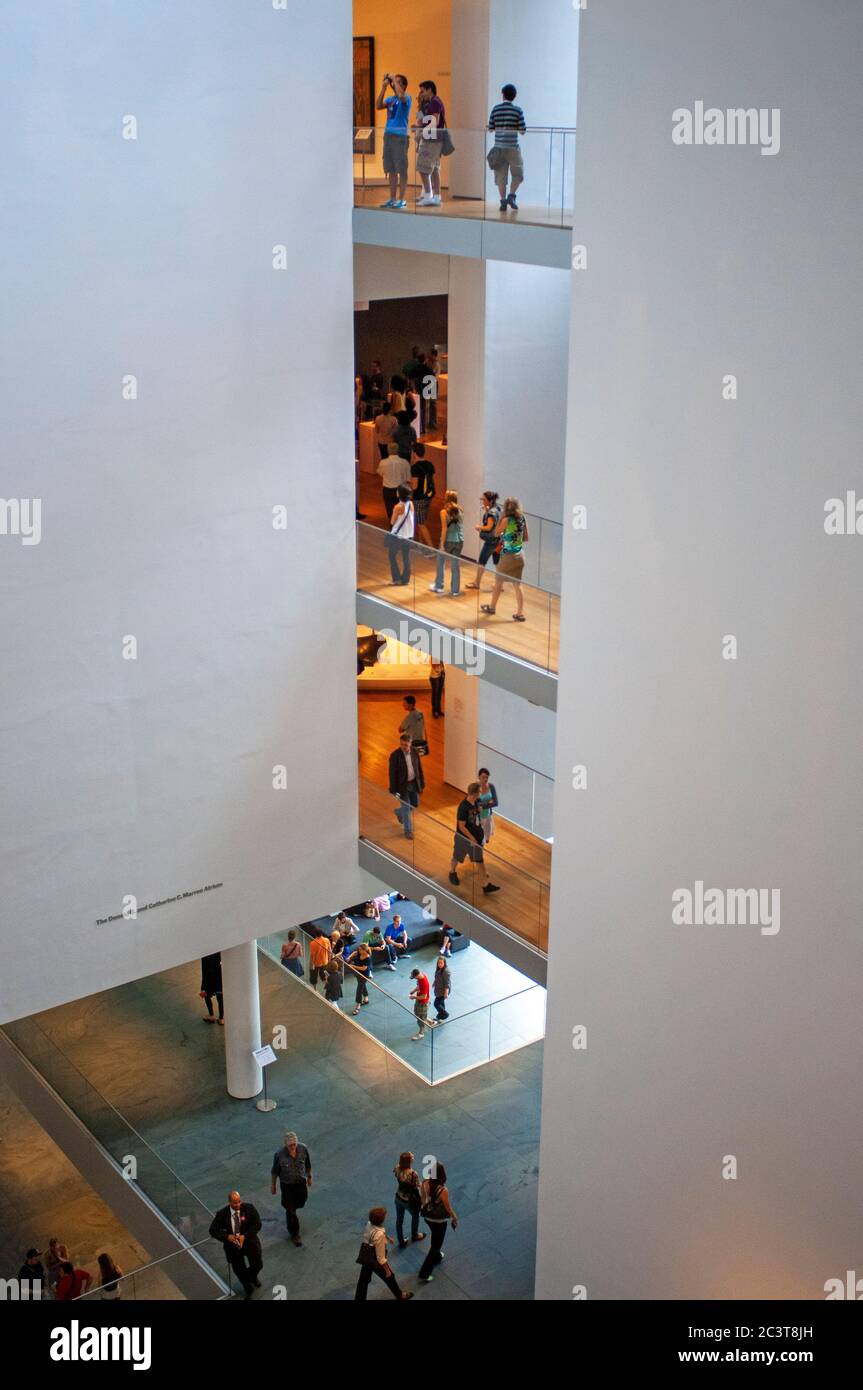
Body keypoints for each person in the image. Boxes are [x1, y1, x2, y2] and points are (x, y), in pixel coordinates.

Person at [480, 497, 529, 621]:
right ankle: (520, 613)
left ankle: (492, 607)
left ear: (506, 508)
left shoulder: (506, 520)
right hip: (520, 555)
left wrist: (502, 518)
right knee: (517, 584)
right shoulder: (522, 518)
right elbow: (526, 538)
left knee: (498, 582)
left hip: (508, 556)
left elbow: (496, 533)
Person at [449, 782, 500, 894]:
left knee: (479, 860)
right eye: (479, 792)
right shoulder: (463, 807)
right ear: (475, 793)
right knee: (457, 856)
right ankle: (452, 872)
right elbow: (461, 826)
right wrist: (471, 838)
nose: (480, 793)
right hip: (463, 838)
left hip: (475, 837)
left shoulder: (476, 802)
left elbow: (491, 803)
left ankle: (485, 885)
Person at [209, 1191, 263, 1294]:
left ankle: (252, 1277)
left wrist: (245, 1236)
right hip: (232, 1247)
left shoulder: (249, 1208)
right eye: (234, 1203)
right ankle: (248, 1289)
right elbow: (213, 1230)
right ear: (229, 1202)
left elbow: (257, 1224)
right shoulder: (222, 1214)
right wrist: (227, 1236)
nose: (238, 1204)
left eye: (239, 1201)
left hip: (249, 1243)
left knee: (258, 1264)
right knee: (239, 1270)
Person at [355, 1207, 413, 1300]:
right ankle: (400, 1295)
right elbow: (380, 1258)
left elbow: (377, 1231)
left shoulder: (369, 1224)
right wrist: (387, 1270)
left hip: (366, 1256)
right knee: (390, 1277)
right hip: (374, 1259)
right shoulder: (380, 1236)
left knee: (363, 1281)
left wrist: (387, 1237)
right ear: (381, 1220)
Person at [488, 83, 527, 211]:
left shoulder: (495, 109)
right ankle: (512, 195)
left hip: (498, 147)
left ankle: (503, 201)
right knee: (518, 173)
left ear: (503, 95)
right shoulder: (518, 111)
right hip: (512, 147)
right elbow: (522, 130)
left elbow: (491, 128)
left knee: (500, 177)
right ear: (514, 96)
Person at [417, 1162, 458, 1282]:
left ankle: (437, 1256)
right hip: (439, 1220)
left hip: (428, 1218)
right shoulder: (443, 1190)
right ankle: (424, 1273)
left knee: (435, 1237)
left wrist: (427, 1208)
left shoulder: (425, 1182)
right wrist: (455, 1218)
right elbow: (448, 1207)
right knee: (436, 1245)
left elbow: (423, 1199)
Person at [270, 1132, 313, 1247]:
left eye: (294, 1144)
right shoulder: (279, 1155)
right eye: (290, 1145)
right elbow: (274, 1172)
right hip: (287, 1186)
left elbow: (308, 1164)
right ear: (285, 1145)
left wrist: (309, 1177)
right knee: (291, 1211)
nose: (293, 1147)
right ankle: (295, 1234)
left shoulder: (303, 1149)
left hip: (300, 1183)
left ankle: (292, 1209)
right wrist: (273, 1185)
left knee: (302, 1201)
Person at [377, 73, 412, 208]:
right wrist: (384, 87)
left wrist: (393, 79)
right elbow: (378, 105)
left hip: (400, 137)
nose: (394, 83)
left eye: (398, 82)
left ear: (403, 85)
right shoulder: (391, 99)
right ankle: (392, 198)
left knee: (401, 169)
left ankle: (401, 199)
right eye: (394, 81)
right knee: (391, 169)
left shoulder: (407, 98)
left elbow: (401, 96)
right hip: (388, 135)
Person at [414, 80, 447, 206]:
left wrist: (421, 126)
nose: (421, 94)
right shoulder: (428, 103)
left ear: (429, 90)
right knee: (434, 168)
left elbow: (434, 121)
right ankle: (436, 196)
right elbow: (422, 119)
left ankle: (428, 195)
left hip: (431, 139)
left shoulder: (434, 102)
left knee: (423, 166)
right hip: (434, 138)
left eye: (423, 91)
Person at [388, 730, 425, 839]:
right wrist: (393, 790)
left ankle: (398, 812)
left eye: (406, 744)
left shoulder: (414, 751)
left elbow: (419, 768)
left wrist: (422, 783)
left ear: (410, 743)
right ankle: (408, 831)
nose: (404, 747)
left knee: (415, 804)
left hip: (413, 784)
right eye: (402, 744)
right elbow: (391, 774)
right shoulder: (395, 755)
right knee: (407, 807)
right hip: (401, 787)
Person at [429, 491, 464, 596]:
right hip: (460, 540)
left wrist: (441, 544)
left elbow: (444, 529)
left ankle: (439, 586)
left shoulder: (444, 512)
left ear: (446, 499)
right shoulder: (461, 510)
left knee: (440, 561)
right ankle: (455, 590)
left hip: (449, 540)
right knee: (455, 565)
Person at [466, 491, 502, 588]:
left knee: (482, 561)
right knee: (497, 562)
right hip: (498, 540)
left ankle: (477, 583)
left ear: (490, 501)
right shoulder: (497, 508)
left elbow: (489, 527)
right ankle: (499, 585)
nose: (482, 501)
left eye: (484, 500)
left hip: (491, 542)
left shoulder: (491, 513)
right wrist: (487, 510)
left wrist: (479, 527)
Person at [393, 1152, 425, 1248]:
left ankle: (401, 1241)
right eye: (412, 1156)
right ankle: (415, 1235)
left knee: (399, 1220)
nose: (413, 1157)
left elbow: (396, 1174)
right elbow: (417, 1185)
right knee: (415, 1215)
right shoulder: (413, 1174)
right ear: (409, 1161)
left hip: (398, 1197)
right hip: (409, 1200)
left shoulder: (397, 1168)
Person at [387, 484, 415, 587]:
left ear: (399, 493)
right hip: (409, 535)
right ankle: (405, 579)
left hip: (399, 536)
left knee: (392, 556)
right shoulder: (411, 504)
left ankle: (397, 578)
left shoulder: (398, 506)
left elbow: (392, 521)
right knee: (406, 557)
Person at [410, 442, 436, 545]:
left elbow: (414, 486)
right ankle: (421, 544)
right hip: (428, 496)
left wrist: (409, 484)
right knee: (422, 520)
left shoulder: (415, 468)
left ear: (415, 453)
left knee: (420, 524)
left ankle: (431, 548)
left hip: (418, 498)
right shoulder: (430, 465)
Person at [379, 441, 411, 521]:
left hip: (388, 490)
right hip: (401, 490)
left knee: (390, 512)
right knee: (401, 512)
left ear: (388, 450)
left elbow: (380, 473)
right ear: (398, 450)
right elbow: (408, 478)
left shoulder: (383, 462)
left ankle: (393, 528)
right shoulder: (404, 462)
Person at [346, 940, 373, 1014]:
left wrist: (353, 966)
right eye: (359, 949)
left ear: (365, 950)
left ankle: (358, 1005)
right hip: (358, 973)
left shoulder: (367, 958)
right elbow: (355, 953)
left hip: (363, 975)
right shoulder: (359, 952)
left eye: (360, 949)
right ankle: (366, 998)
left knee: (359, 990)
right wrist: (349, 957)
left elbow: (364, 968)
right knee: (362, 985)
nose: (359, 950)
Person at [199, 951, 224, 1025]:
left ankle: (211, 1015)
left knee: (206, 996)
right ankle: (221, 1018)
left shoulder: (204, 955)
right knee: (220, 999)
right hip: (218, 980)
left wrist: (202, 986)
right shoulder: (218, 953)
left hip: (208, 980)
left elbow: (204, 971)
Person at [477, 767, 499, 842]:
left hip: (487, 814)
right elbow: (474, 803)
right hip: (478, 814)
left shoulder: (491, 786)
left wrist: (482, 805)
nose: (485, 779)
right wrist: (488, 802)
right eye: (483, 777)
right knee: (478, 832)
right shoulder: (475, 787)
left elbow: (496, 803)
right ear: (479, 777)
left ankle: (485, 840)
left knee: (487, 832)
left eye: (487, 777)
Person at [409, 966, 432, 1040]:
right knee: (416, 1013)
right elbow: (418, 986)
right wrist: (414, 991)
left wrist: (414, 997)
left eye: (414, 977)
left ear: (417, 975)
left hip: (423, 1002)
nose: (415, 979)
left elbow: (424, 997)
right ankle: (429, 1021)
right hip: (419, 1000)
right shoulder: (420, 977)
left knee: (420, 1019)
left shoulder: (425, 983)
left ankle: (421, 1033)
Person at [308, 927, 331, 991]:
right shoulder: (327, 940)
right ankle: (327, 988)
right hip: (325, 962)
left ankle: (315, 989)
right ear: (321, 933)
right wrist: (329, 960)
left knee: (313, 976)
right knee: (323, 975)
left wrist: (311, 964)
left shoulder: (313, 943)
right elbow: (330, 951)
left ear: (315, 934)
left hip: (316, 963)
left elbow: (312, 955)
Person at [425, 348, 441, 430]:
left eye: (430, 354)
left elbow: (433, 375)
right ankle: (428, 422)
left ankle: (433, 423)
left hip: (433, 384)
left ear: (434, 355)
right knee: (427, 404)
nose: (429, 355)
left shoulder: (436, 364)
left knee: (433, 404)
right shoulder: (428, 362)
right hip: (428, 383)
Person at [433, 956, 452, 1020]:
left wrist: (446, 993)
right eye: (438, 963)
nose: (440, 965)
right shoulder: (439, 969)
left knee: (436, 1004)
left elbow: (447, 984)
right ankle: (440, 1016)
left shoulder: (446, 972)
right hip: (439, 989)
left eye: (441, 963)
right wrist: (434, 982)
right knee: (441, 1003)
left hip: (443, 991)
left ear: (444, 963)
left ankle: (445, 1014)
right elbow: (437, 976)